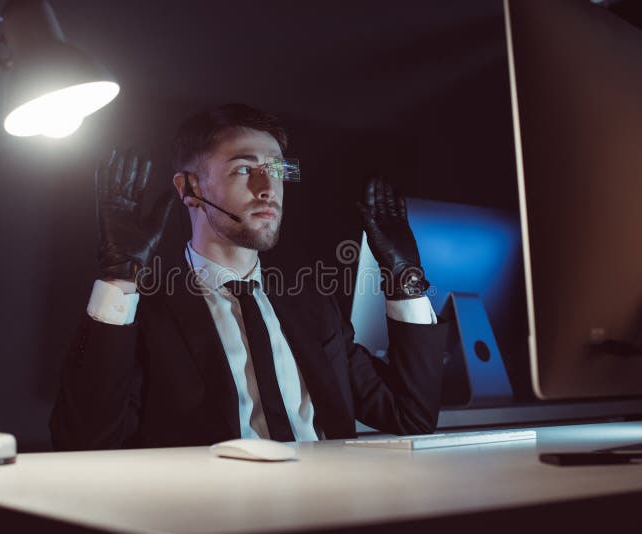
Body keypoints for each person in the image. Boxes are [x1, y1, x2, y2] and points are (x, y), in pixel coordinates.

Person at [49, 103, 448, 450]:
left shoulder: (312, 305)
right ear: (189, 188)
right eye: (244, 169)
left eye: (276, 169)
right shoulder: (144, 312)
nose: (267, 188)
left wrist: (406, 280)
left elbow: (411, 416)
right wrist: (119, 279)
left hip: (331, 502)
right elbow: (82, 441)